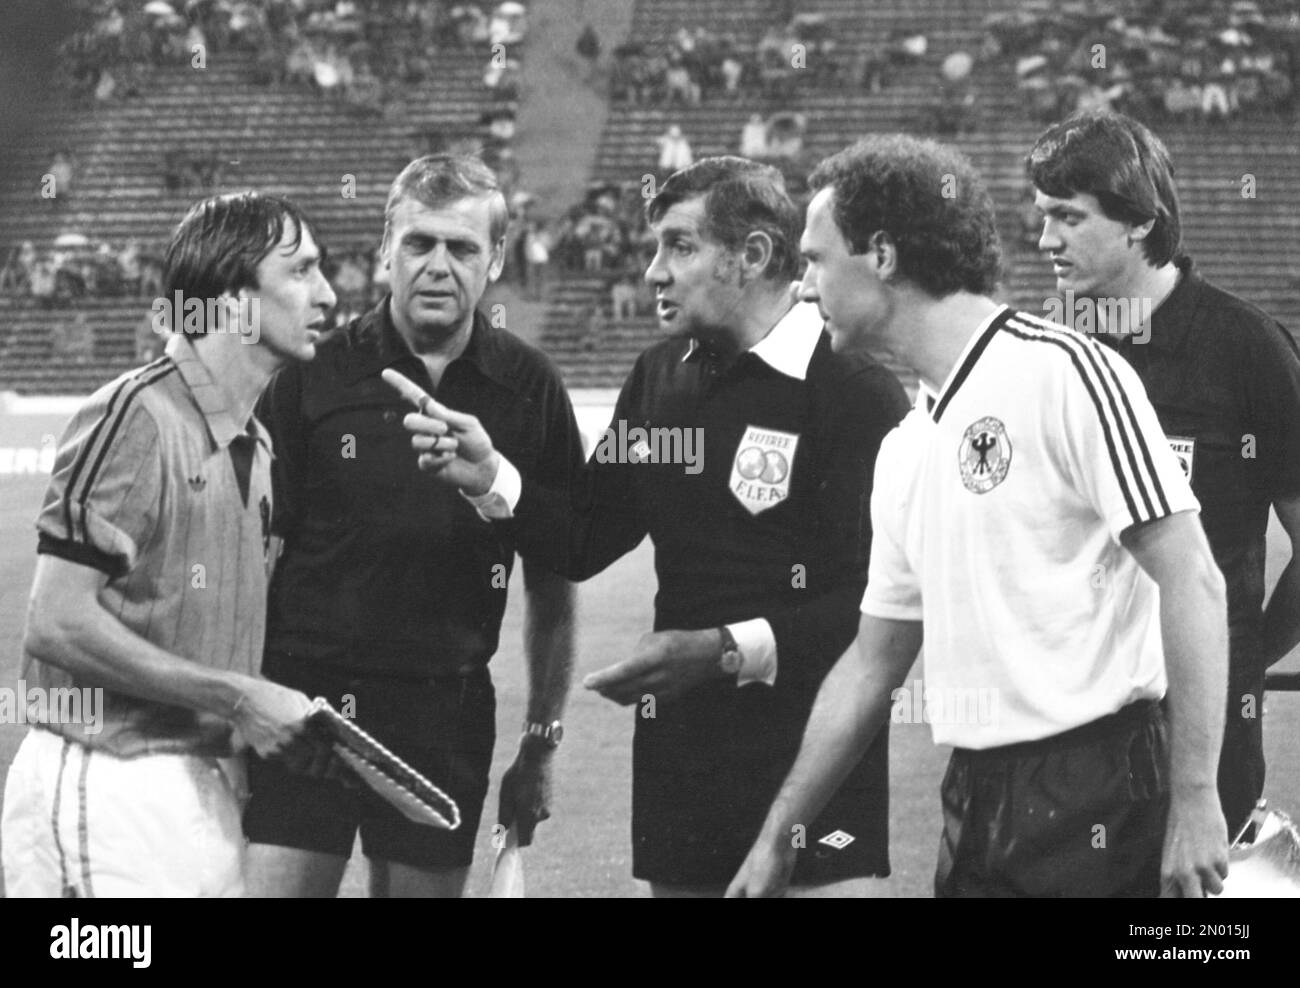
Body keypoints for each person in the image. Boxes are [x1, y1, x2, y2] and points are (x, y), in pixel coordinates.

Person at [388, 156, 910, 896]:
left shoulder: (853, 391)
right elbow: (586, 537)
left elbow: (875, 612)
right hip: (681, 760)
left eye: (680, 246)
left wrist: (725, 650)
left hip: (818, 765)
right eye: (656, 247)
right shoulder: (661, 378)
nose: (653, 272)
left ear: (754, 255)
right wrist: (493, 478)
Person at [728, 134, 1231, 898]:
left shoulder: (1065, 372)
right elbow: (873, 664)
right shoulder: (905, 447)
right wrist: (778, 834)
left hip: (1103, 788)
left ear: (884, 257)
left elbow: (1193, 576)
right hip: (973, 796)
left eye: (817, 260)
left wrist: (1196, 801)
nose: (802, 287)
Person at [243, 153, 580, 898]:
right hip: (306, 707)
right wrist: (240, 701)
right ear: (385, 252)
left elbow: (555, 585)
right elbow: (252, 555)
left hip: (443, 710)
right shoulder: (309, 373)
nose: (438, 265)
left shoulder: (530, 388)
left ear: (495, 260)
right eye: (420, 244)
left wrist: (542, 742)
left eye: (461, 248)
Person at [1, 191, 337, 897]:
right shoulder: (138, 413)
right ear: (236, 301)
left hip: (203, 788)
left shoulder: (259, 445)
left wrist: (252, 716)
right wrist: (239, 696)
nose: (329, 293)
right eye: (302, 270)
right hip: (110, 783)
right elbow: (56, 621)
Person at [1027, 110, 1300, 839]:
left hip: (1199, 739)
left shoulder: (1248, 350)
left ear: (1140, 221)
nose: (1044, 239)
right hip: (1066, 726)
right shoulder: (1048, 350)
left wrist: (1234, 656)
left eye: (1066, 217)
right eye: (1042, 215)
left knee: (1180, 950)